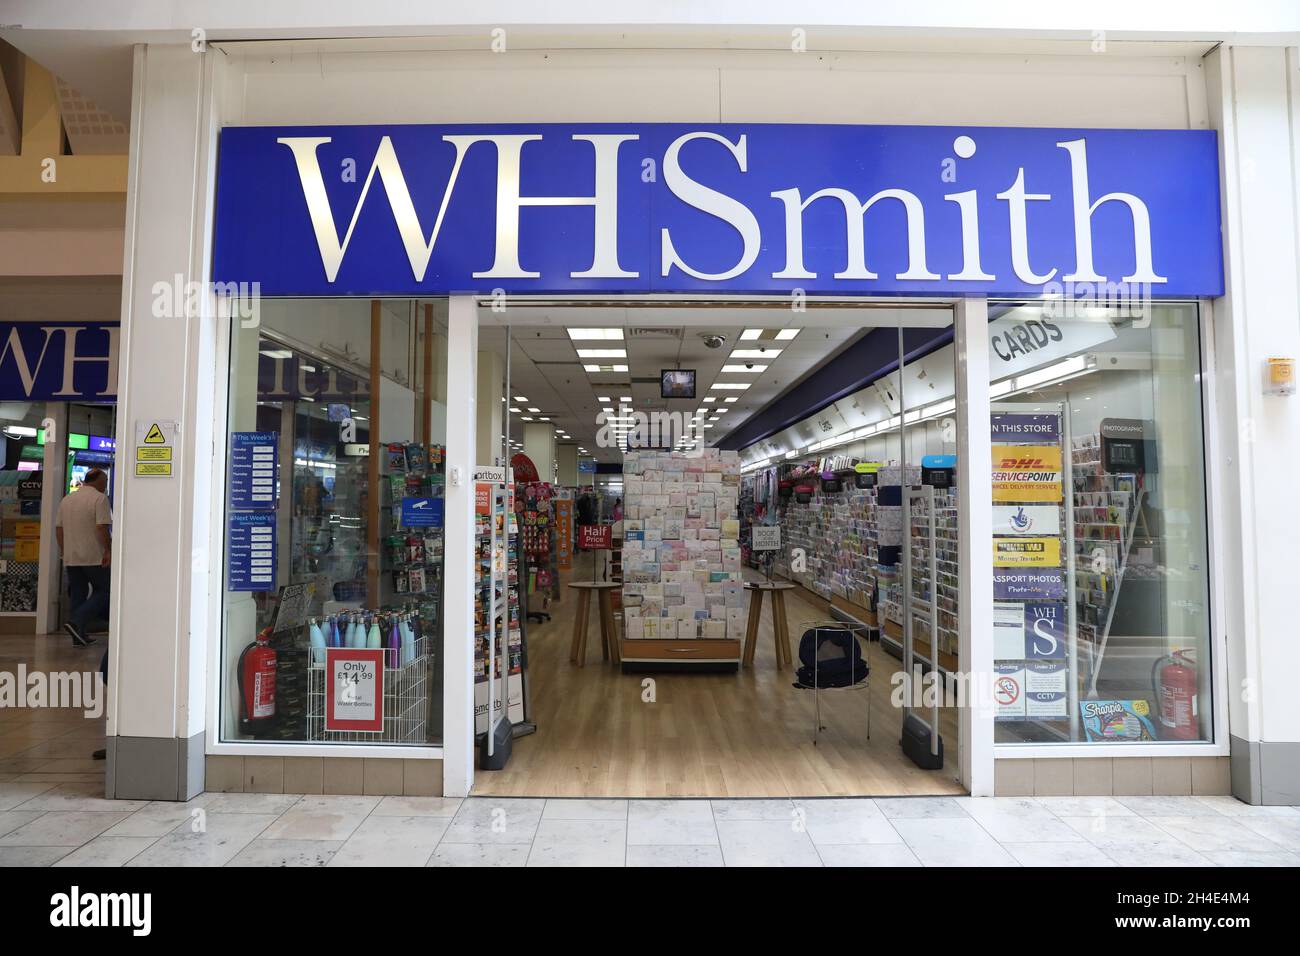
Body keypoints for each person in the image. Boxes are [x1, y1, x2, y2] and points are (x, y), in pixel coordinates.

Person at [56, 467, 112, 647]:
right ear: (98, 482)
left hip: (72, 557)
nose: (105, 485)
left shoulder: (67, 500)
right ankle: (77, 621)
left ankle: (78, 635)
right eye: (104, 482)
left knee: (78, 594)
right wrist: (108, 550)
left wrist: (64, 550)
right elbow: (102, 527)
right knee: (105, 591)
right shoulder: (99, 498)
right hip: (94, 556)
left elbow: (59, 529)